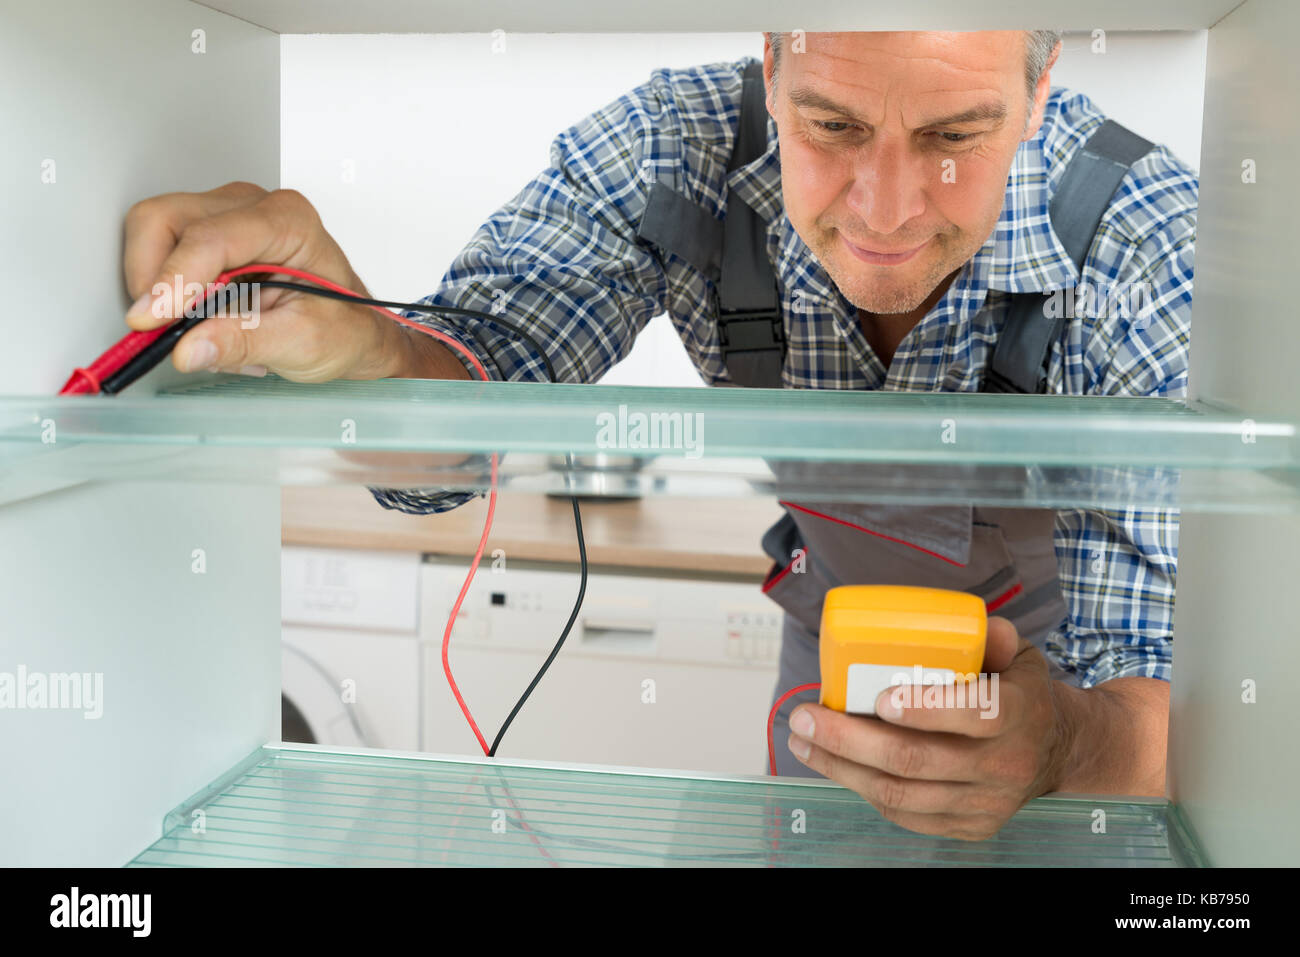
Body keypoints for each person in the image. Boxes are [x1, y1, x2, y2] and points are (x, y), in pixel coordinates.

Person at [120, 30, 1196, 841]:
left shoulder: (1148, 253)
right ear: (772, 66)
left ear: (1037, 89)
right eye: (830, 126)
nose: (885, 209)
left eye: (954, 137)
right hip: (830, 668)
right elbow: (465, 414)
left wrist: (1060, 745)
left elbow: (1186, 718)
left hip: (1079, 729)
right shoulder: (672, 152)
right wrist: (367, 355)